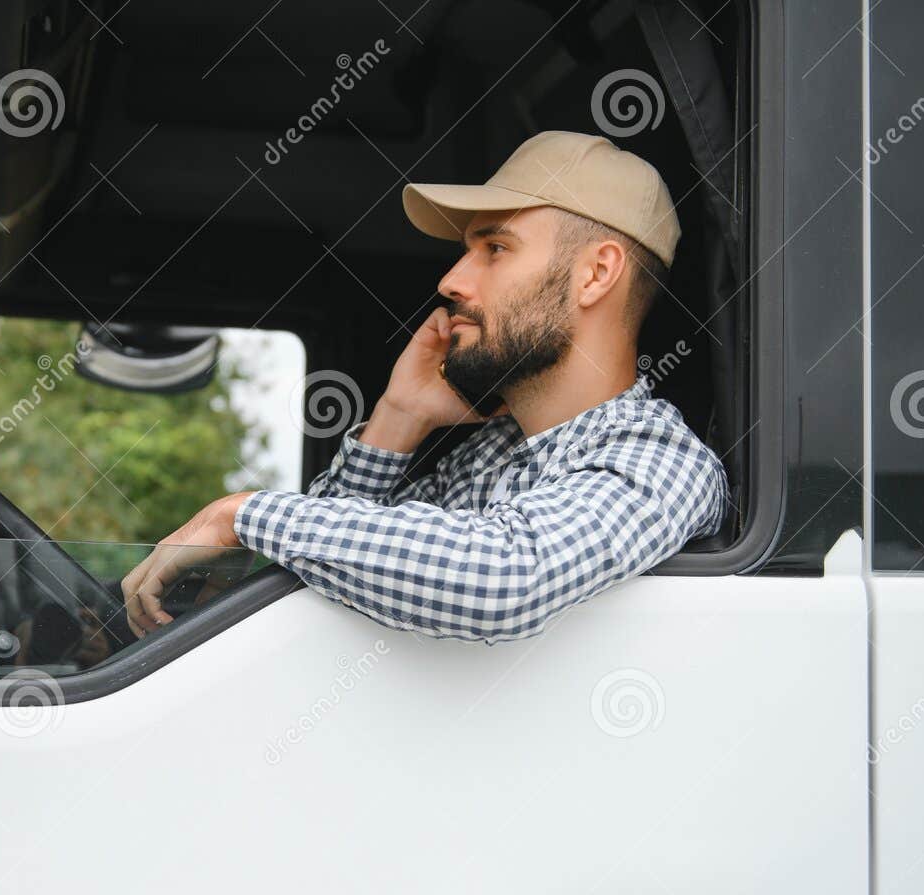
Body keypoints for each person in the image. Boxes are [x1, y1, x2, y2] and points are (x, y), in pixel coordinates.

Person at [120, 130, 729, 644]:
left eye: (494, 248)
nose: (452, 280)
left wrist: (239, 516)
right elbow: (320, 574)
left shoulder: (661, 462)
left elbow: (502, 582)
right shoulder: (488, 457)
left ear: (596, 274)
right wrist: (398, 417)